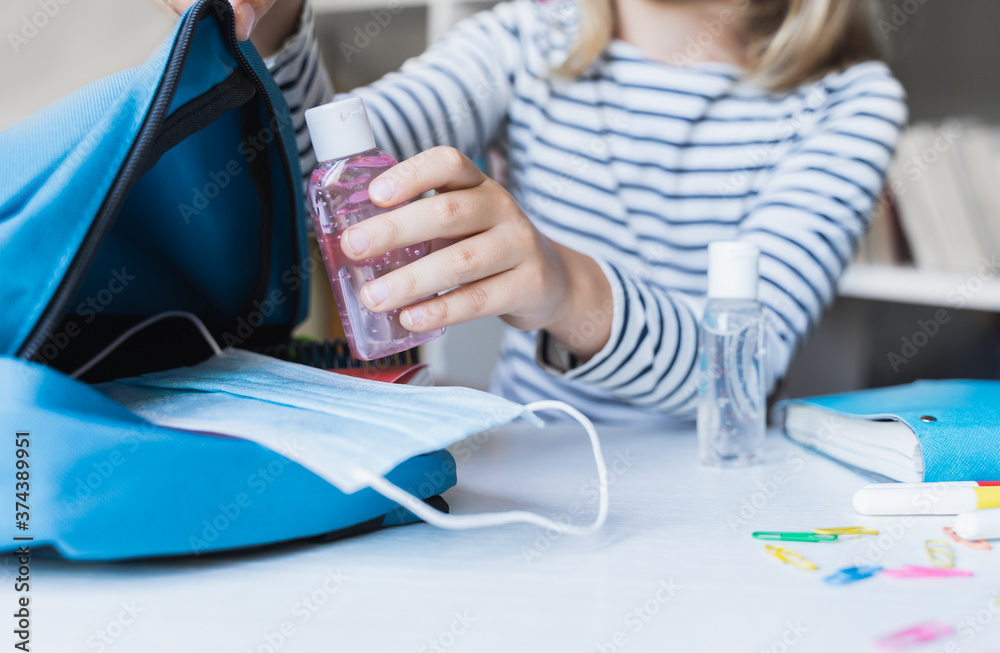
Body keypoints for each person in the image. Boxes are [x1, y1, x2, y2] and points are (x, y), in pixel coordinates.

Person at [174, 0, 906, 421]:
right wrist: (267, 23)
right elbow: (317, 174)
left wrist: (565, 287)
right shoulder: (523, 40)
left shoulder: (850, 104)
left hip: (715, 495)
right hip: (534, 468)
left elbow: (734, 374)